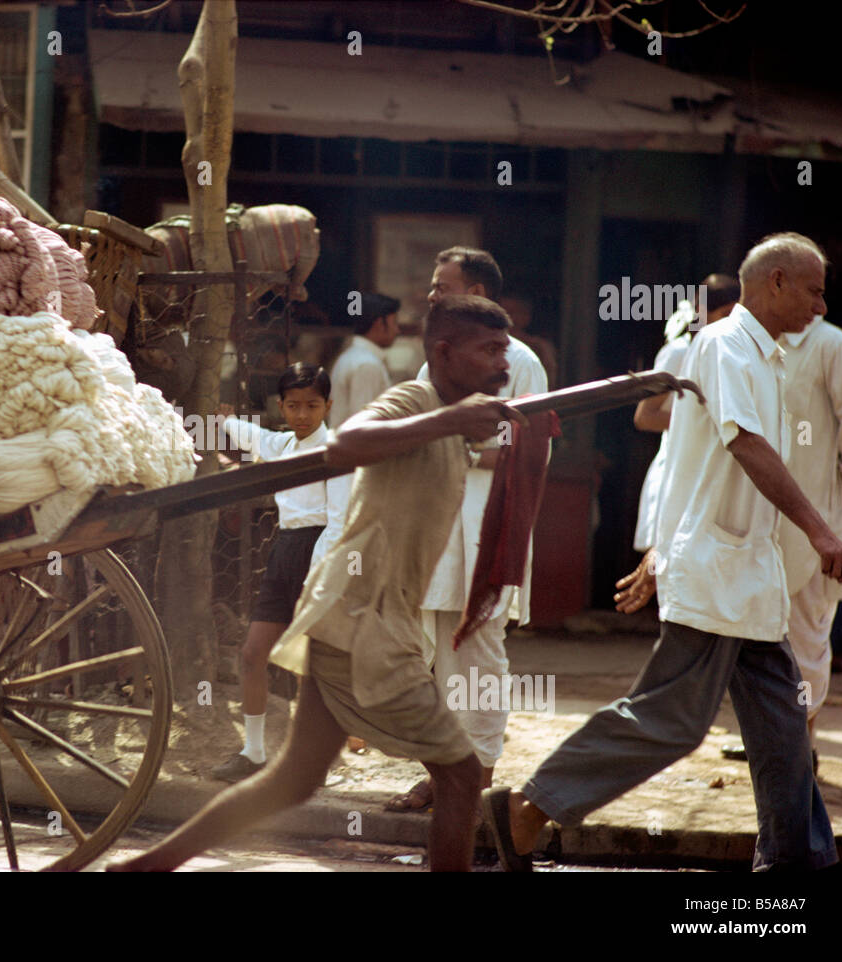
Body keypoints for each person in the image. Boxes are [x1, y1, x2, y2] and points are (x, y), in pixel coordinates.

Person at [109, 296, 527, 872]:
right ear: (444, 353)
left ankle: (144, 867)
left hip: (357, 621)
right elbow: (344, 446)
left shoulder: (453, 424)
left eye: (503, 350)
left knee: (291, 783)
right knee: (459, 773)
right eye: (488, 350)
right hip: (365, 626)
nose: (500, 363)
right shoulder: (416, 400)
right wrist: (456, 421)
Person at [486, 233, 842, 873]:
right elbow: (746, 447)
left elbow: (693, 464)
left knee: (784, 725)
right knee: (670, 720)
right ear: (777, 283)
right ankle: (530, 807)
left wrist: (662, 551)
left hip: (749, 576)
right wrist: (822, 530)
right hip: (717, 573)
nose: (821, 307)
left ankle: (798, 864)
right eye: (815, 290)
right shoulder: (721, 346)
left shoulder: (768, 356)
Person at [387, 247, 548, 815]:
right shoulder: (436, 358)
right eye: (432, 287)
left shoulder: (521, 361)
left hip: (487, 521)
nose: (430, 295)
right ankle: (440, 771)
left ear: (477, 292)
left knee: (476, 651)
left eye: (441, 286)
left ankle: (477, 775)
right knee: (426, 653)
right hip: (432, 518)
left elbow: (525, 446)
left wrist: (453, 439)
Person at [210, 364, 350, 782]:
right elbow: (257, 438)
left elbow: (340, 521)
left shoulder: (337, 450)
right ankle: (253, 752)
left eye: (311, 405)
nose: (302, 414)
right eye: (293, 406)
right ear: (281, 407)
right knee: (254, 653)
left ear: (328, 405)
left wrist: (319, 577)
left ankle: (314, 760)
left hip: (320, 550)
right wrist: (224, 420)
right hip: (284, 550)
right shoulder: (283, 443)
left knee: (315, 666)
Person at [775, 315, 842, 765]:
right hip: (760, 523)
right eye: (812, 289)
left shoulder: (830, 345)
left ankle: (800, 750)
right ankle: (780, 747)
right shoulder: (751, 342)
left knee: (806, 636)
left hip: (816, 522)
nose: (818, 301)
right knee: (765, 639)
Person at [632, 274, 740, 553]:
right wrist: (703, 423)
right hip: (676, 474)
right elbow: (645, 417)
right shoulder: (678, 352)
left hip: (714, 479)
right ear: (703, 314)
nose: (731, 322)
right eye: (724, 314)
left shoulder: (736, 355)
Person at [328, 292, 399, 428]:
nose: (397, 330)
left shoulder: (354, 357)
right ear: (379, 324)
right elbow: (362, 426)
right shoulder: (366, 364)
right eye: (394, 323)